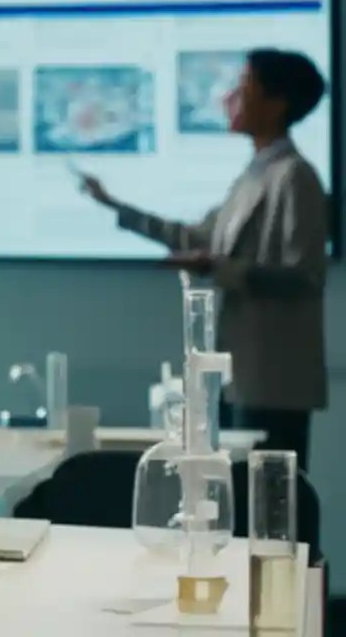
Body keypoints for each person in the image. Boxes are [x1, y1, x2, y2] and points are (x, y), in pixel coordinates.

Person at [81, 48, 327, 463]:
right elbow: (195, 237)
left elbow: (304, 277)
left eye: (244, 88)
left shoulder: (294, 176)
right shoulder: (257, 172)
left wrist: (217, 267)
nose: (228, 97)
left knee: (269, 509)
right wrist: (114, 206)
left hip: (273, 380)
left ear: (276, 102)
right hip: (242, 374)